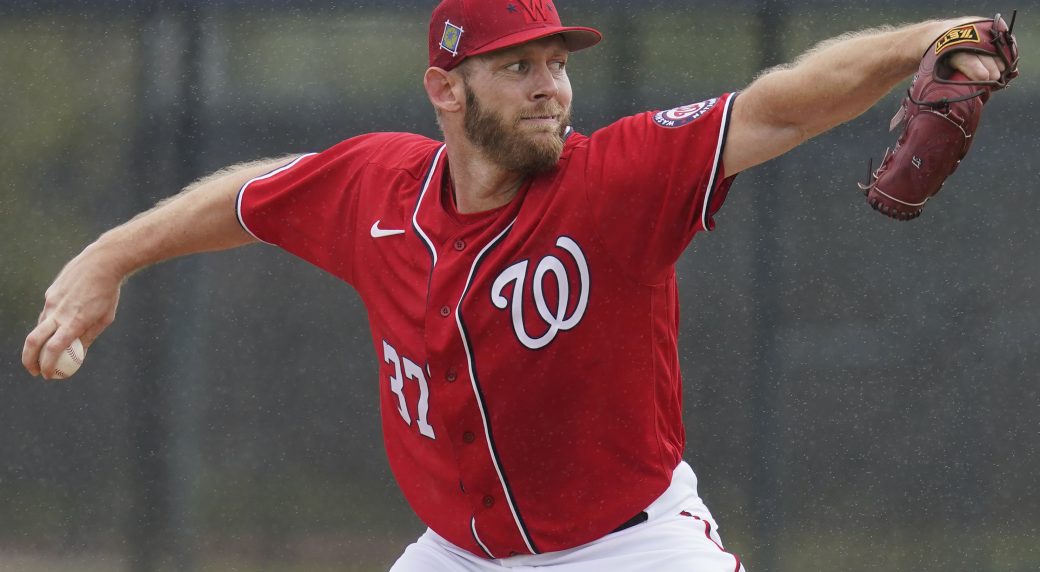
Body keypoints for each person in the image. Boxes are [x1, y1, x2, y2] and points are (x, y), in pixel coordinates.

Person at [23, 1, 1010, 570]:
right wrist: (109, 257)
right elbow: (250, 197)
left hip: (627, 549)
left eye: (555, 64)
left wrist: (930, 36)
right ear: (445, 90)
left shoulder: (616, 180)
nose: (550, 85)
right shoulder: (378, 189)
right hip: (457, 554)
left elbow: (781, 104)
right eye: (517, 67)